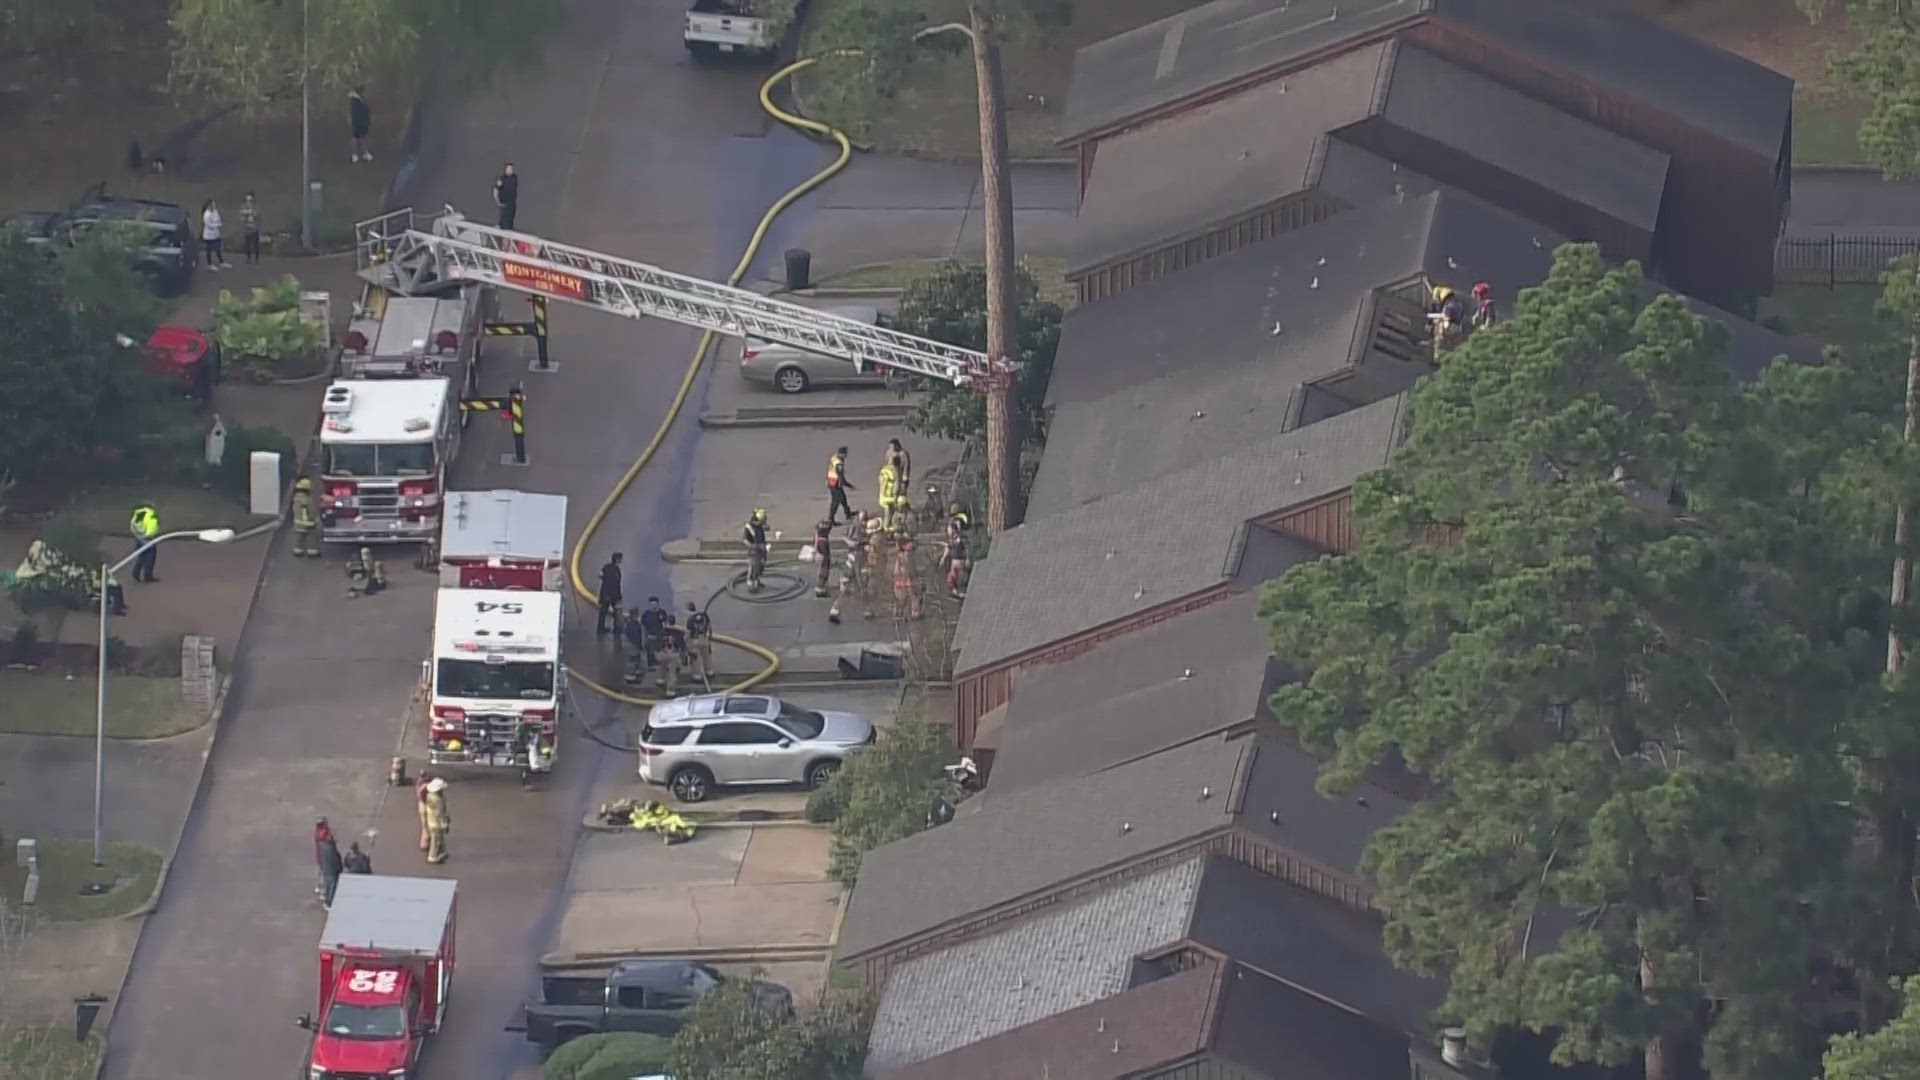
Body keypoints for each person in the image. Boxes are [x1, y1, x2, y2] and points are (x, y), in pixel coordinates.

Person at [421, 777, 451, 864]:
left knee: (439, 839)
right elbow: (440, 813)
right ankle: (433, 856)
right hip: (436, 823)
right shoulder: (438, 800)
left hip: (431, 822)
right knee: (436, 840)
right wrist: (445, 824)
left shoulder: (429, 796)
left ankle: (441, 852)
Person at [129, 502, 160, 583]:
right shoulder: (151, 516)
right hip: (148, 541)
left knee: (141, 556)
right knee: (150, 558)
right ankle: (148, 576)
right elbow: (151, 531)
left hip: (138, 539)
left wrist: (139, 536)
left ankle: (135, 573)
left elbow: (132, 527)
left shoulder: (136, 514)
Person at [684, 603, 712, 690]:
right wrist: (708, 638)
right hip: (704, 639)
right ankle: (709, 672)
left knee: (695, 659)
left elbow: (688, 633)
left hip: (694, 640)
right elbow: (710, 628)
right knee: (706, 656)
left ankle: (697, 676)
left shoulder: (690, 619)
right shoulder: (704, 616)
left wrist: (686, 643)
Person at [596, 552, 624, 636]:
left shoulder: (606, 567)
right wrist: (618, 596)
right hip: (612, 595)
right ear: (617, 559)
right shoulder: (615, 570)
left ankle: (600, 628)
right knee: (616, 613)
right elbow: (615, 584)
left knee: (603, 612)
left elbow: (600, 576)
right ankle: (616, 630)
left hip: (605, 594)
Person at [291, 477, 319, 557]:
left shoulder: (296, 499)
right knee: (312, 537)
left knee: (299, 538)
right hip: (308, 523)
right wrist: (315, 520)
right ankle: (312, 552)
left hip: (298, 524)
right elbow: (311, 511)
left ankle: (298, 551)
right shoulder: (308, 500)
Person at [657, 616, 685, 697]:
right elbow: (682, 645)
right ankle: (670, 690)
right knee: (672, 672)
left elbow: (657, 643)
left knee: (662, 666)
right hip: (674, 654)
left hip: (663, 653)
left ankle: (661, 680)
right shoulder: (678, 632)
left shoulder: (661, 631)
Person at [742, 508, 769, 593]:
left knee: (761, 566)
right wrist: (753, 546)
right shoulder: (749, 527)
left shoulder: (759, 525)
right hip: (754, 551)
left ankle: (757, 580)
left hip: (762, 549)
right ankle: (751, 584)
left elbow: (766, 528)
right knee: (753, 567)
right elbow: (745, 540)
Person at [826, 446, 854, 525]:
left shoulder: (834, 457)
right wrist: (849, 485)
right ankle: (831, 519)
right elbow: (840, 476)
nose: (846, 456)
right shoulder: (838, 463)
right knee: (836, 501)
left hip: (831, 480)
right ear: (841, 454)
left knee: (843, 498)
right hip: (835, 483)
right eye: (845, 454)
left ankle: (848, 513)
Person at [638, 597, 668, 672]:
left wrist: (664, 635)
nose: (653, 606)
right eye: (651, 604)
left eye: (654, 604)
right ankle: (650, 665)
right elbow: (643, 626)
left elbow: (665, 624)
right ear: (649, 604)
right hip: (649, 636)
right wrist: (646, 636)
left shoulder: (662, 612)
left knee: (659, 651)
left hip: (659, 636)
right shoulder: (646, 614)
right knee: (650, 651)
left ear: (658, 604)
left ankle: (661, 665)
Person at [943, 526, 971, 600]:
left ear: (954, 530)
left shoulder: (961, 538)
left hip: (960, 562)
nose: (948, 532)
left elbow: (967, 548)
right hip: (954, 564)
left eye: (949, 529)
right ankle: (955, 591)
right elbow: (948, 548)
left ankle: (961, 592)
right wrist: (943, 559)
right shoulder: (951, 541)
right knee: (950, 579)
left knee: (961, 578)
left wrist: (967, 558)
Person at [200, 199, 228, 269]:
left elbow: (218, 219)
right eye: (212, 204)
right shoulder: (207, 214)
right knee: (209, 250)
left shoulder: (215, 212)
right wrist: (217, 224)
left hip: (216, 234)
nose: (214, 206)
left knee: (218, 249)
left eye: (214, 204)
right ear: (209, 206)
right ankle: (209, 264)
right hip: (209, 236)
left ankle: (221, 262)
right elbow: (209, 225)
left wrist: (216, 223)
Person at [318, 833, 344, 907]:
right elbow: (336, 862)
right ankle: (329, 902)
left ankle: (326, 898)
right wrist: (339, 869)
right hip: (332, 871)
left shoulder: (323, 847)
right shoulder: (333, 851)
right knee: (332, 886)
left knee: (327, 884)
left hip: (326, 870)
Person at [312, 818, 336, 898]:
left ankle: (319, 886)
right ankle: (322, 889)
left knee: (322, 871)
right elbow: (329, 840)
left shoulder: (319, 832)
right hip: (324, 856)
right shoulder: (323, 833)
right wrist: (332, 838)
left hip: (321, 855)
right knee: (325, 872)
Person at [877, 457, 900, 535]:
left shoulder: (884, 469)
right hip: (890, 496)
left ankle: (886, 527)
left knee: (886, 512)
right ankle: (888, 530)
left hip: (882, 495)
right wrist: (896, 496)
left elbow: (880, 481)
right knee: (892, 513)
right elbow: (896, 486)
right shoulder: (895, 471)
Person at [349, 87, 372, 163]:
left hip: (363, 122)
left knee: (363, 137)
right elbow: (355, 113)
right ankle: (355, 155)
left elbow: (366, 110)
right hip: (357, 122)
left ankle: (365, 153)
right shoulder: (355, 101)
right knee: (356, 138)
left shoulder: (362, 100)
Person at [493, 163, 519, 231]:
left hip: (512, 204)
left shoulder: (514, 177)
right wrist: (498, 202)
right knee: (504, 223)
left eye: (512, 169)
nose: (511, 170)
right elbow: (495, 192)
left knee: (510, 222)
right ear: (506, 169)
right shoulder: (502, 179)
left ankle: (508, 230)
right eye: (509, 169)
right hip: (505, 204)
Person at [810, 520, 833, 598]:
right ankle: (820, 589)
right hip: (824, 559)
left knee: (822, 572)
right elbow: (825, 553)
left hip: (820, 557)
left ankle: (821, 587)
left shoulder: (817, 536)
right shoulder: (823, 541)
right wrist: (828, 559)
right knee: (823, 573)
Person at [414, 773, 435, 852]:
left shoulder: (421, 789)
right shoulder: (426, 789)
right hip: (428, 805)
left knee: (425, 825)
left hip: (423, 805)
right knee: (429, 825)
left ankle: (425, 842)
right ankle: (428, 843)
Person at [239, 192, 262, 265]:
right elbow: (241, 215)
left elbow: (256, 214)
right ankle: (248, 258)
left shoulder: (256, 206)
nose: (248, 202)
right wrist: (248, 213)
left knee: (256, 245)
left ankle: (256, 260)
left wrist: (249, 212)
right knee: (247, 245)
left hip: (254, 228)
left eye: (250, 200)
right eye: (247, 200)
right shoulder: (243, 206)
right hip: (247, 228)